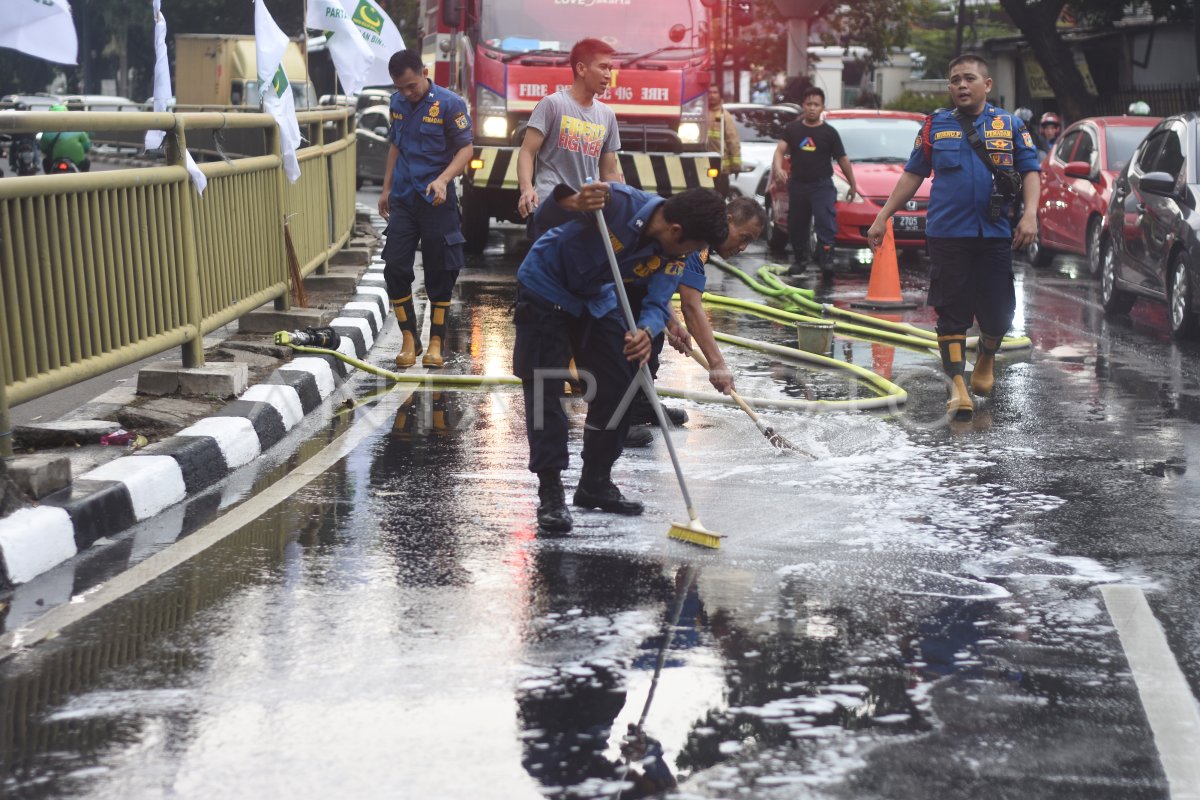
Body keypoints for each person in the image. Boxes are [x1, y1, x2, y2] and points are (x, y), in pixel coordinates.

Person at [513, 183, 728, 533]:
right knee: (545, 391)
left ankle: (595, 482)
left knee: (620, 382)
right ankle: (550, 492)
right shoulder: (615, 202)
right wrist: (573, 201)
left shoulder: (676, 250)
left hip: (595, 299)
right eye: (694, 248)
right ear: (676, 231)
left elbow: (658, 302)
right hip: (545, 288)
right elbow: (541, 220)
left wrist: (646, 330)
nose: (691, 255)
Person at [865, 53, 1040, 420]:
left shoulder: (1009, 126)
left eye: (969, 78)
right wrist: (883, 217)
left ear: (987, 84)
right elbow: (912, 175)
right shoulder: (934, 126)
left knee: (1000, 312)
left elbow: (1030, 171)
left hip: (994, 234)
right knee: (951, 311)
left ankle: (987, 357)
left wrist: (1030, 215)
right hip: (947, 233)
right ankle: (958, 386)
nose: (961, 85)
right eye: (955, 79)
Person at [378, 50, 474, 370]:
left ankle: (436, 341)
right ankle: (409, 338)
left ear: (425, 72)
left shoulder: (449, 104)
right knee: (394, 266)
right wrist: (386, 187)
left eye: (411, 86)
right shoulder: (396, 104)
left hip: (437, 199)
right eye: (400, 87)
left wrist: (445, 179)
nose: (407, 93)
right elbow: (396, 146)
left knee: (440, 270)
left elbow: (466, 149)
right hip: (405, 199)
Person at [517, 38, 623, 226]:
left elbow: (609, 172)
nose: (608, 75)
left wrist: (622, 208)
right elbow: (527, 152)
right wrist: (526, 189)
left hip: (586, 212)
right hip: (550, 206)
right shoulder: (552, 105)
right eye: (603, 67)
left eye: (610, 69)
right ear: (581, 69)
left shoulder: (607, 116)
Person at [772, 86, 857, 278]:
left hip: (822, 186)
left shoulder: (829, 133)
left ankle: (826, 259)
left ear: (822, 107)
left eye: (816, 105)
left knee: (825, 221)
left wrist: (853, 183)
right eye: (809, 104)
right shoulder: (793, 129)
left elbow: (842, 159)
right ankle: (800, 260)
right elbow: (779, 151)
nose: (812, 108)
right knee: (797, 225)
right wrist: (778, 168)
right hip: (799, 185)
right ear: (803, 105)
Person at [706, 85, 741, 198]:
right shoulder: (700, 114)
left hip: (721, 168)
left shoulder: (725, 116)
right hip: (702, 165)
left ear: (720, 95)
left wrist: (736, 166)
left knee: (719, 198)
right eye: (709, 92)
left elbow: (733, 141)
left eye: (715, 92)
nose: (712, 95)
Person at [39, 104, 91, 173]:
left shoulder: (47, 132)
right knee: (87, 162)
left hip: (54, 161)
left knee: (45, 161)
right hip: (77, 161)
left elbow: (43, 148)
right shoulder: (77, 128)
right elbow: (87, 146)